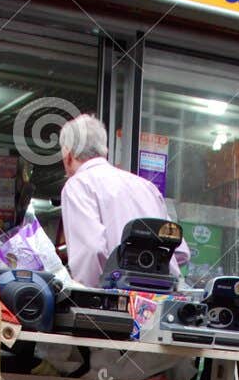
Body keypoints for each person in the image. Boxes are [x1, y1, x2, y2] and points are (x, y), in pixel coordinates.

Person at [58, 114, 189, 287]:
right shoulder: (146, 187)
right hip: (161, 303)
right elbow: (181, 252)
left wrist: (92, 297)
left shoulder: (78, 185)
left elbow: (90, 251)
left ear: (68, 156)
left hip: (115, 305)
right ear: (104, 150)